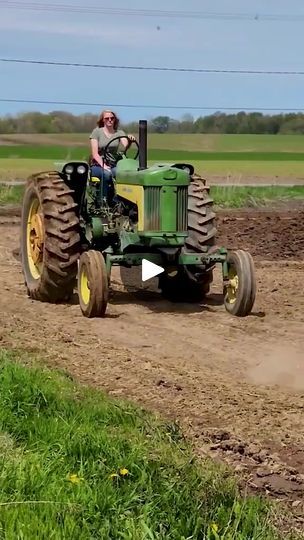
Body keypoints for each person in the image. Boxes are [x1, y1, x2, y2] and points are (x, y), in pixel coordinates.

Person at [89, 110, 135, 202]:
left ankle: (120, 201)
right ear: (103, 120)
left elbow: (125, 145)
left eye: (112, 118)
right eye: (107, 118)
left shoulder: (119, 133)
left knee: (123, 174)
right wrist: (104, 166)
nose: (110, 120)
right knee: (106, 174)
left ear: (115, 120)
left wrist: (129, 140)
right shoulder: (97, 132)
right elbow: (95, 154)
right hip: (98, 165)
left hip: (113, 164)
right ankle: (102, 201)